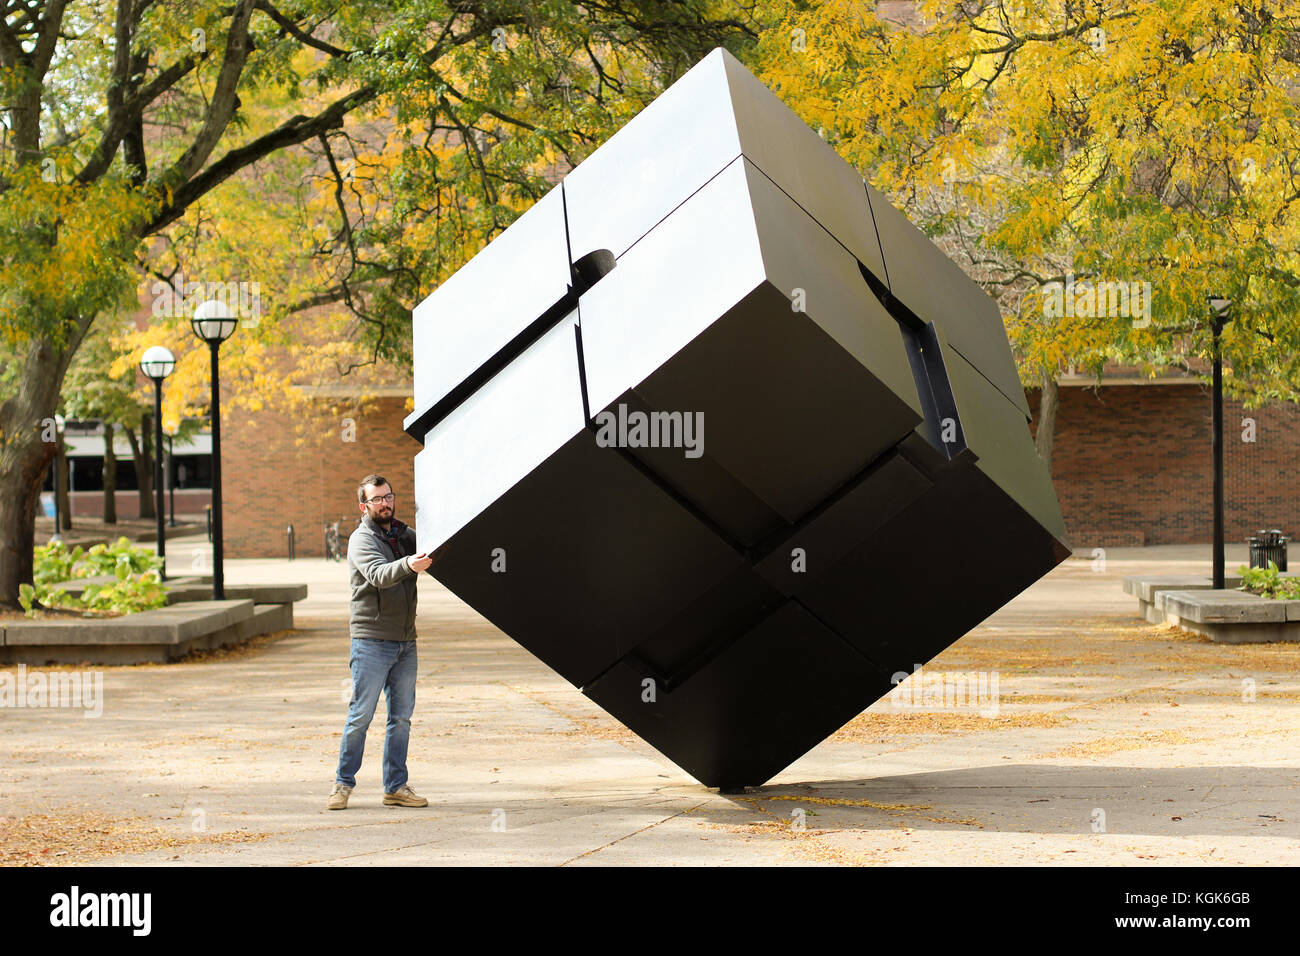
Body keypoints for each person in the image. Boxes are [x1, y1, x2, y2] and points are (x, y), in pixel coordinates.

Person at [328, 474, 436, 810]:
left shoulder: (404, 535)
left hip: (406, 641)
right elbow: (378, 574)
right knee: (360, 715)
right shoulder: (361, 539)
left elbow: (433, 549)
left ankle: (395, 787)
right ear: (364, 506)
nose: (385, 503)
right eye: (377, 499)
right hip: (372, 641)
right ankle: (342, 785)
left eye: (388, 496)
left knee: (401, 717)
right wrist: (408, 564)